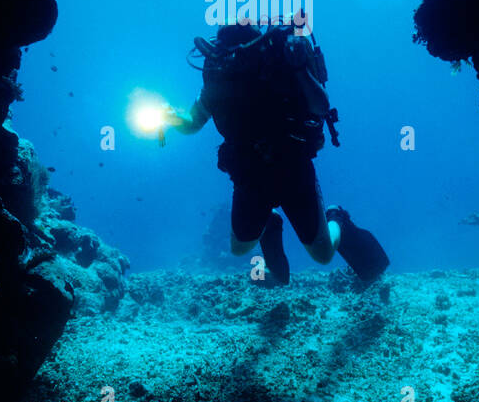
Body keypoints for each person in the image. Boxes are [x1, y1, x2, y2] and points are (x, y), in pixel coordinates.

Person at [163, 19, 389, 287]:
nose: (237, 60)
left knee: (323, 254)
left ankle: (336, 217)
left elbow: (320, 106)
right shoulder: (219, 73)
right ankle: (270, 225)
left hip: (293, 168)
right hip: (248, 173)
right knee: (239, 248)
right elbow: (194, 121)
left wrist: (301, 68)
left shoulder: (282, 64)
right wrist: (166, 116)